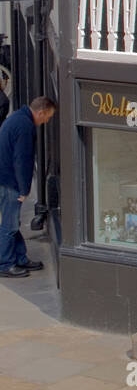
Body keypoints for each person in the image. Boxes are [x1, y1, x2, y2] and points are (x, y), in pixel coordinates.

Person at [0, 96, 56, 277]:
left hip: (5, 178)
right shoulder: (25, 127)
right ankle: (5, 264)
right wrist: (24, 190)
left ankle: (20, 258)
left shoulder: (17, 118)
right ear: (41, 112)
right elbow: (22, 161)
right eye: (48, 116)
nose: (47, 121)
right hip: (10, 183)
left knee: (13, 223)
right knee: (9, 225)